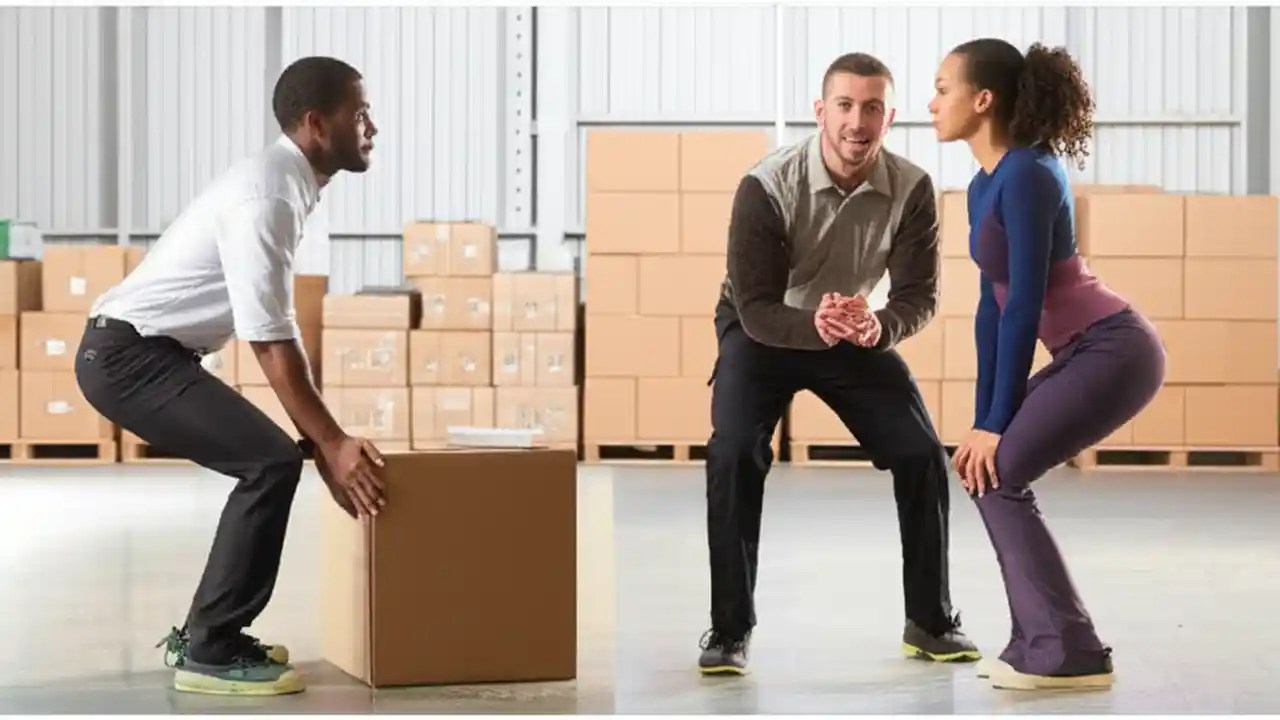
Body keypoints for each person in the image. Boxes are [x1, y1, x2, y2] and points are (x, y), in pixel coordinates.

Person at [75, 56, 387, 697]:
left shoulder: (288, 183)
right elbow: (270, 339)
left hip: (151, 355)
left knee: (272, 457)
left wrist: (324, 438)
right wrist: (330, 443)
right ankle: (210, 647)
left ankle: (211, 633)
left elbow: (270, 331)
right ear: (315, 124)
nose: (372, 127)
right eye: (359, 115)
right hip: (127, 359)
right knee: (272, 462)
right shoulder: (268, 194)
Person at [697, 52, 981, 676]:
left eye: (873, 108)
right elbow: (755, 305)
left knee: (919, 454)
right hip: (762, 330)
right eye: (845, 106)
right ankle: (728, 630)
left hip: (852, 330)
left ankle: (930, 622)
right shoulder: (766, 186)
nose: (858, 121)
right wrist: (811, 324)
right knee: (734, 452)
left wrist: (880, 326)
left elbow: (919, 297)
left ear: (890, 117)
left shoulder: (912, 188)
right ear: (820, 111)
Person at [927, 39, 1166, 691]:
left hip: (1115, 350)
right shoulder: (983, 184)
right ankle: (1044, 641)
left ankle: (1069, 649)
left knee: (998, 469)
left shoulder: (1031, 172)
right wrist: (983, 421)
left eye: (943, 87)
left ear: (983, 100)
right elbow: (990, 307)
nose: (932, 101)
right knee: (985, 470)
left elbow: (1025, 303)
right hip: (1086, 351)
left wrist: (997, 425)